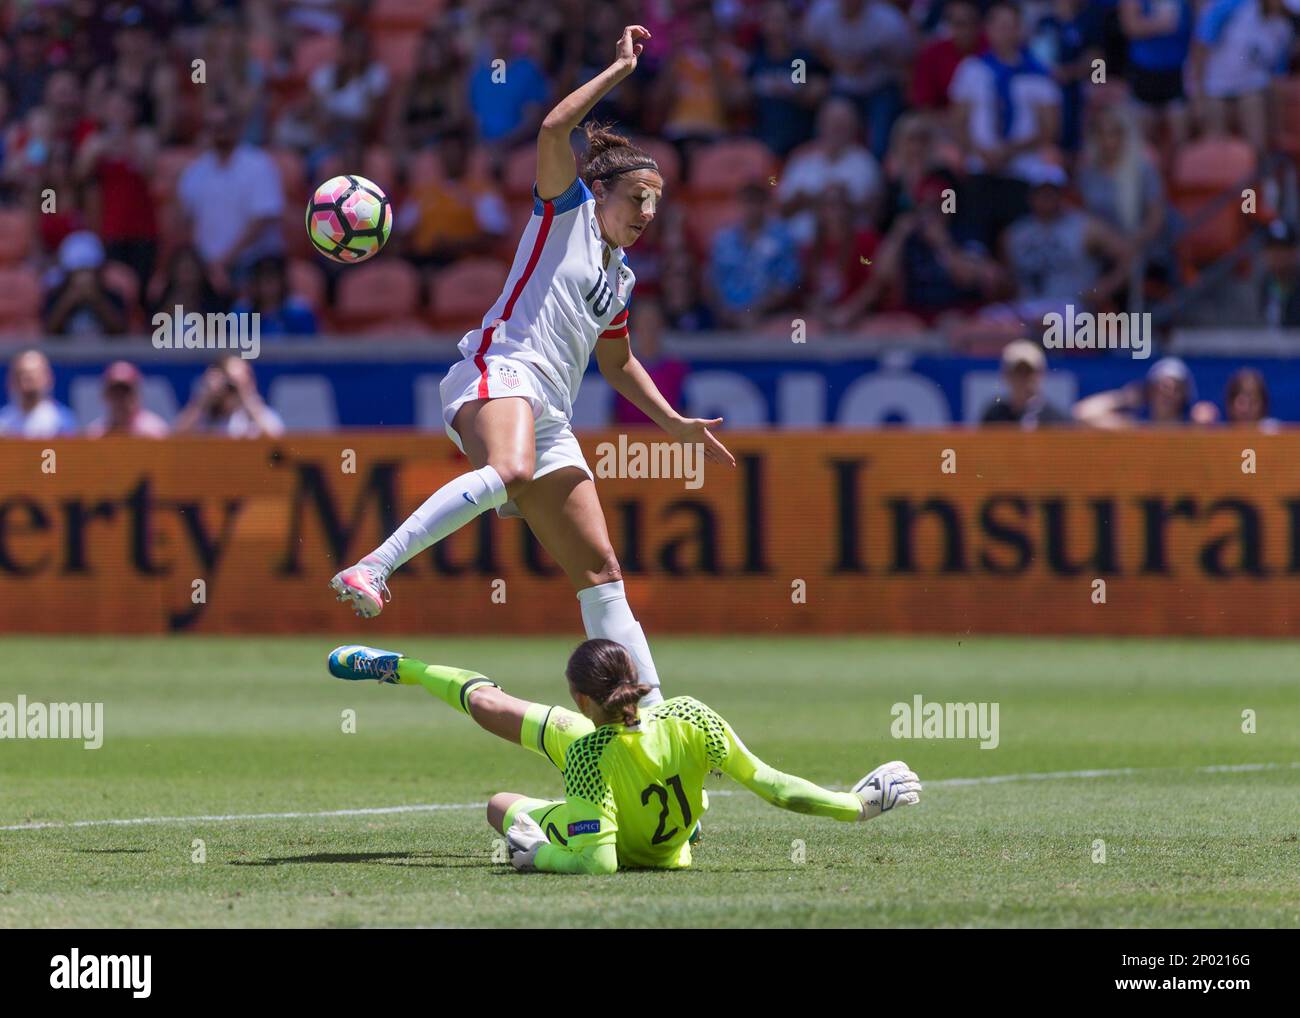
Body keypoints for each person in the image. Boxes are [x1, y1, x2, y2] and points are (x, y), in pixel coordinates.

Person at [330, 25, 736, 711]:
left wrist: (673, 423)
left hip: (550, 414)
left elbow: (619, 361)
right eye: (637, 197)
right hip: (497, 371)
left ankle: (655, 721)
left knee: (603, 575)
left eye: (657, 203)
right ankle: (372, 567)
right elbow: (553, 128)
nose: (647, 212)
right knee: (512, 470)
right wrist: (619, 69)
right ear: (602, 190)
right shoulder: (566, 212)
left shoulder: (624, 279)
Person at [327, 639, 922, 874]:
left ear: (583, 699)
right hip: (673, 845)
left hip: (610, 805)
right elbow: (774, 786)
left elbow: (601, 865)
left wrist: (536, 858)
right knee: (503, 711)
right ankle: (400, 670)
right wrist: (855, 806)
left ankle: (401, 669)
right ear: (635, 683)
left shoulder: (585, 752)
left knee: (499, 798)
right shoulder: (690, 715)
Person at [174, 355, 285, 438]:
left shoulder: (258, 415)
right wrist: (204, 399)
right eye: (229, 381)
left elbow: (277, 440)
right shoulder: (204, 416)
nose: (231, 388)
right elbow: (174, 437)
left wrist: (247, 396)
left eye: (236, 382)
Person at [1073, 356, 1197, 427]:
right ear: (1149, 392)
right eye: (1161, 387)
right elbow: (1081, 413)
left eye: (1176, 388)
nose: (1168, 394)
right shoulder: (1136, 427)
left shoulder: (1194, 430)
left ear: (1185, 395)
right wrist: (1124, 398)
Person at [980, 339, 1069, 427]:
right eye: (1017, 371)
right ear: (1006, 375)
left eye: (1028, 371)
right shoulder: (993, 416)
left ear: (1041, 374)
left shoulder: (1055, 419)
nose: (1023, 378)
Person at [0, 349, 78, 438]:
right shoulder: (3, 421)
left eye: (31, 376)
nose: (24, 380)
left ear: (47, 378)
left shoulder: (61, 421)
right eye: (19, 375)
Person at [86, 361, 169, 438]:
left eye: (125, 392)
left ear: (137, 394)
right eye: (115, 392)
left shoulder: (155, 431)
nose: (120, 399)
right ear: (105, 395)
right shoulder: (96, 433)